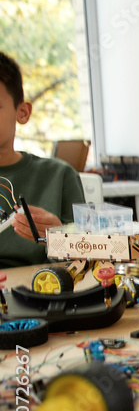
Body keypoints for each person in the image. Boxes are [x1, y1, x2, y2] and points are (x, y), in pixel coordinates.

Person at [0, 51, 85, 268]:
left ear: (23, 112)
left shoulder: (59, 176)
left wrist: (58, 237)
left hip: (41, 291)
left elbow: (85, 259)